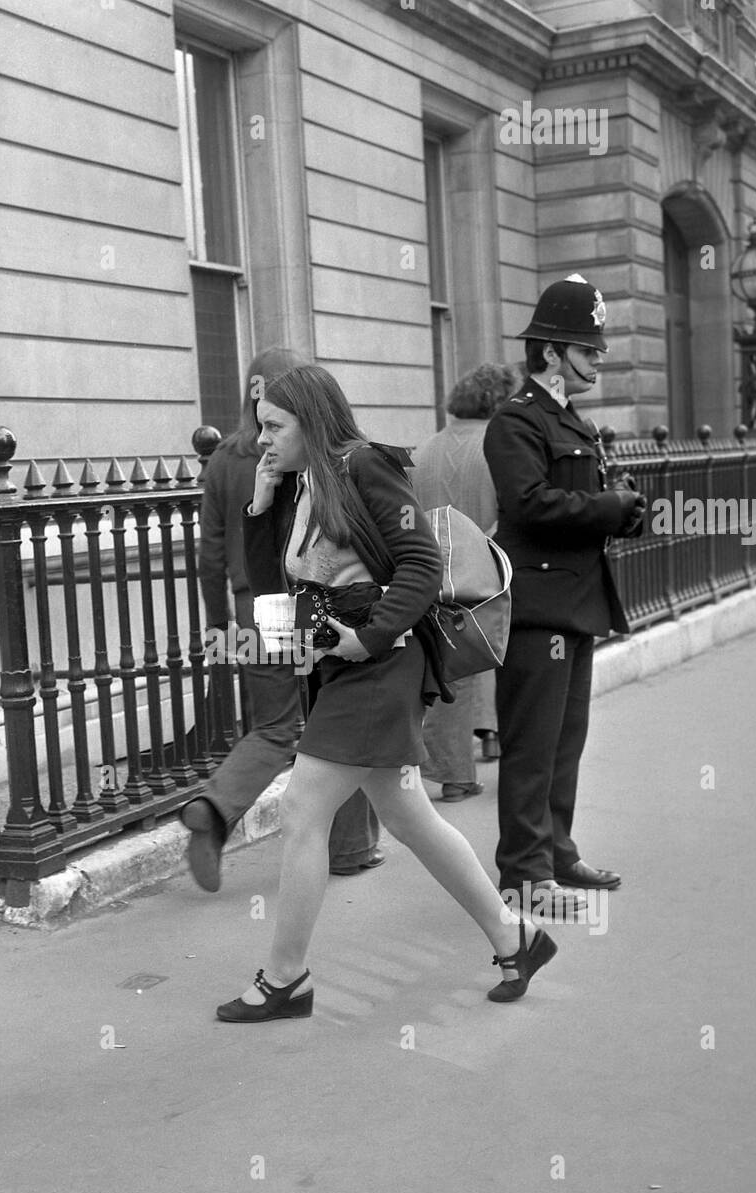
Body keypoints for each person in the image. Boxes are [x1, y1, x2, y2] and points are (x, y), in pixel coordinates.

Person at [215, 364, 555, 1022]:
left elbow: (422, 563)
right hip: (341, 667)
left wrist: (368, 638)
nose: (262, 439)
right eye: (261, 427)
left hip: (379, 665)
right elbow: (272, 589)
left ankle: (285, 979)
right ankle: (515, 935)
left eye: (274, 426)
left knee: (301, 810)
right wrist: (259, 508)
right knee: (407, 815)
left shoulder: (364, 467)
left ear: (311, 421)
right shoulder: (301, 483)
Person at [181, 348, 382, 890]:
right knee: (336, 718)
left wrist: (219, 624)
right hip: (310, 600)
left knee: (275, 725)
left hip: (254, 609)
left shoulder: (223, 458)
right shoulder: (303, 451)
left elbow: (209, 553)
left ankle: (215, 806)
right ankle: (350, 847)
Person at [484, 274, 646, 919]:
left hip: (574, 603)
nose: (598, 360)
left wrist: (621, 512)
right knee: (532, 748)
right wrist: (607, 506)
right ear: (550, 352)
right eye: (587, 349)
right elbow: (529, 504)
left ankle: (555, 854)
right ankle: (524, 877)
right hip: (538, 610)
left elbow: (574, 503)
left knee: (564, 743)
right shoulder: (515, 421)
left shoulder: (570, 419)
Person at [411, 362, 518, 800]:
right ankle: (487, 744)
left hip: (433, 572)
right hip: (490, 565)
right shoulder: (500, 447)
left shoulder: (423, 450)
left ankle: (455, 771)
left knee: (448, 666)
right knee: (495, 649)